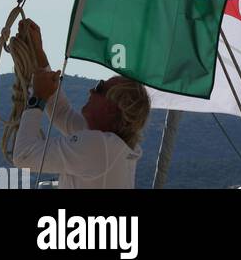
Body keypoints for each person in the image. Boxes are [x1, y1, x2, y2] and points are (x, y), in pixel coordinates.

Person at [11, 20, 150, 189]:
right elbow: (62, 113)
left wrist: (38, 97)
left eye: (100, 88)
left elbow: (24, 155)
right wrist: (38, 54)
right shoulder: (112, 146)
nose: (91, 90)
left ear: (111, 108)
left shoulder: (99, 146)